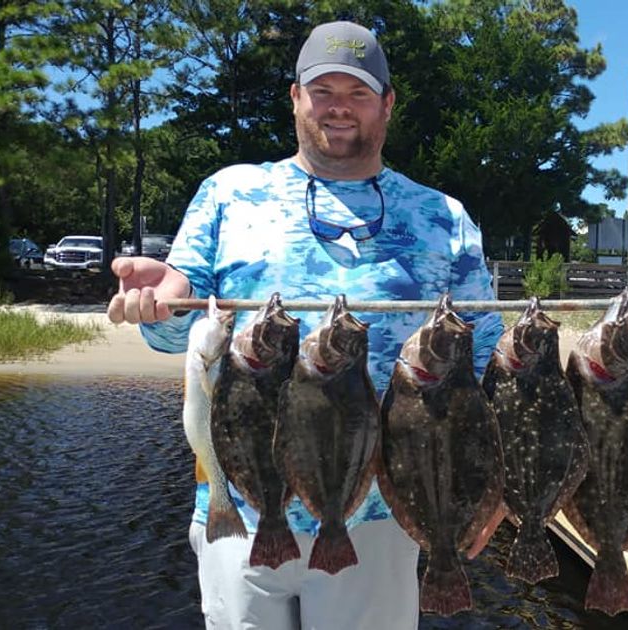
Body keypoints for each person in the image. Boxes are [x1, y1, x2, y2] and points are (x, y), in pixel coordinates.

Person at [107, 21, 504, 630]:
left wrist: (497, 488)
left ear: (387, 104)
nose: (339, 106)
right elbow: (175, 338)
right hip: (238, 511)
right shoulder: (227, 194)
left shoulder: (443, 217)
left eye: (358, 92)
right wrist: (162, 305)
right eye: (323, 90)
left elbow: (488, 368)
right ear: (295, 97)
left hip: (379, 517)